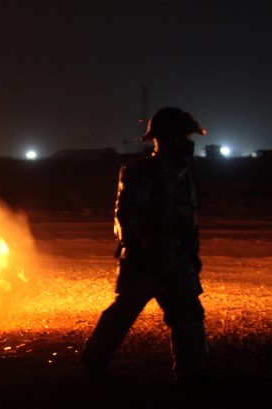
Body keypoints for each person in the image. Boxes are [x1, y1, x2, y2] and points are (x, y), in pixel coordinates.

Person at [82, 106, 211, 384]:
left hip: (176, 258)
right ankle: (93, 363)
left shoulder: (184, 174)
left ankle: (192, 374)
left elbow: (189, 218)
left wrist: (192, 252)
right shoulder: (141, 173)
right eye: (184, 137)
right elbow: (125, 216)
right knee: (124, 311)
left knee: (188, 313)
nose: (189, 143)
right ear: (170, 138)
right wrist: (137, 251)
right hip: (147, 259)